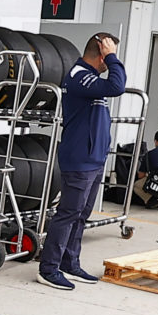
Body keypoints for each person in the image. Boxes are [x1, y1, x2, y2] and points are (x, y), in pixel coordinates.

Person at [37, 32, 128, 288]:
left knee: (81, 214)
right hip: (79, 159)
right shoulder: (79, 76)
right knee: (68, 213)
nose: (111, 61)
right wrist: (112, 58)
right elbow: (117, 86)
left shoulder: (90, 78)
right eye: (109, 54)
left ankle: (69, 263)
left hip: (94, 158)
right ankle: (48, 268)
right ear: (101, 54)